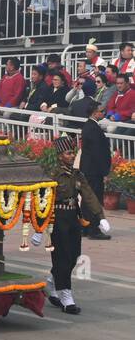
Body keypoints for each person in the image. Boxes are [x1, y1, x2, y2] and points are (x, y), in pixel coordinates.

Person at [44, 135, 102, 315]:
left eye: (72, 152)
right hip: (57, 218)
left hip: (73, 217)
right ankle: (66, 297)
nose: (71, 156)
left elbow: (89, 194)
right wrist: (39, 228)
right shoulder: (53, 174)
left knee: (74, 256)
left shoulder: (77, 174)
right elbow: (43, 199)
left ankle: (52, 281)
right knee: (61, 257)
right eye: (68, 153)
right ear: (60, 155)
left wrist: (100, 216)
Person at [76, 100, 113, 240]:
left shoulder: (90, 126)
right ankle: (93, 229)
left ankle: (85, 226)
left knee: (87, 199)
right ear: (94, 112)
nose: (103, 113)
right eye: (100, 111)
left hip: (90, 169)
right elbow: (98, 153)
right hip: (93, 170)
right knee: (94, 199)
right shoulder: (92, 128)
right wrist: (104, 171)